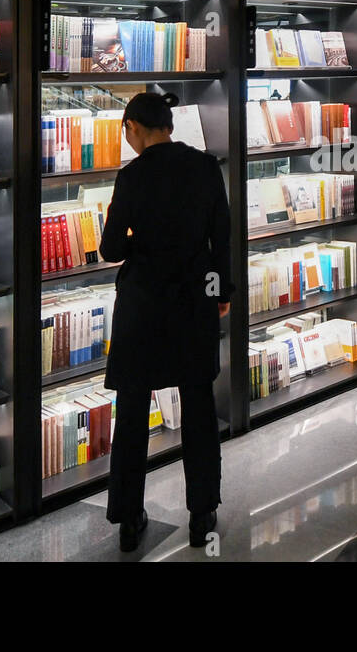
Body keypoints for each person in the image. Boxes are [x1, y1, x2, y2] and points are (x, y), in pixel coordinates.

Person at [99, 91, 233, 552]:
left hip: (142, 307)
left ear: (135, 127)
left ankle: (130, 521)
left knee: (133, 412)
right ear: (169, 126)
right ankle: (203, 514)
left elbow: (111, 249)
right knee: (198, 407)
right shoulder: (206, 167)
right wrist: (221, 294)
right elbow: (222, 238)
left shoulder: (131, 176)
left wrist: (139, 243)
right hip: (194, 300)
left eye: (127, 132)